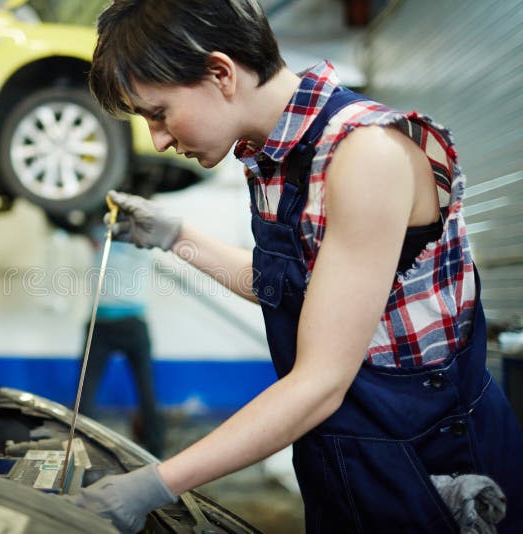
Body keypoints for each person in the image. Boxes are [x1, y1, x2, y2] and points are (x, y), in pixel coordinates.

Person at [65, 1, 523, 533]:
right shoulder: (274, 160)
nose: (158, 140)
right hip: (345, 457)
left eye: (158, 113)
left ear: (220, 73)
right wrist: (175, 237)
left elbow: (320, 382)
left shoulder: (365, 152)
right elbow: (297, 292)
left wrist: (154, 484)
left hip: (430, 469)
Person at [79, 220, 164, 458]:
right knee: (146, 389)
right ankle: (157, 450)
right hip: (133, 322)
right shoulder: (146, 236)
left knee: (86, 391)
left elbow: (67, 220)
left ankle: (79, 447)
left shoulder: (99, 232)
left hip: (101, 321)